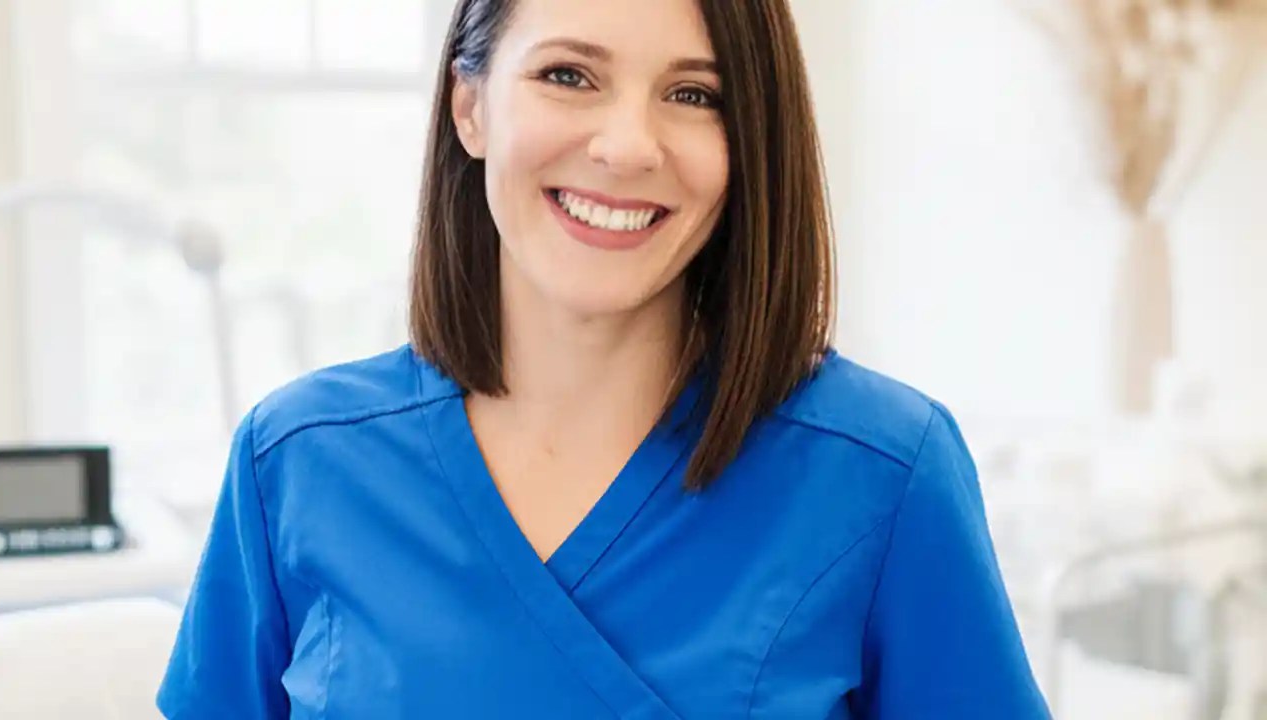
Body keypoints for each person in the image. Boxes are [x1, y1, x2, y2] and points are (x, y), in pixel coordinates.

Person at [156, 0, 1052, 717]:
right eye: (568, 75)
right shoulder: (299, 461)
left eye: (695, 94)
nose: (627, 146)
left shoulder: (884, 472)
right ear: (470, 106)